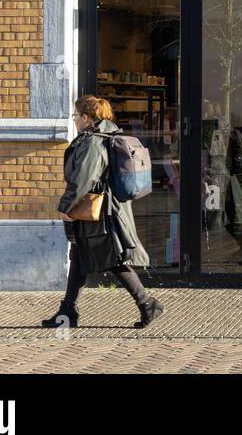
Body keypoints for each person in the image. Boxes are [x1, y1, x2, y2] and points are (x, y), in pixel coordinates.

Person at [42, 95, 164, 329]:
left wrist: (65, 207)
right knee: (79, 257)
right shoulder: (105, 136)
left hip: (99, 212)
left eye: (76, 116)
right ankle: (67, 312)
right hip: (100, 209)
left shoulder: (93, 141)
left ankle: (148, 303)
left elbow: (83, 179)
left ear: (86, 118)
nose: (74, 120)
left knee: (113, 258)